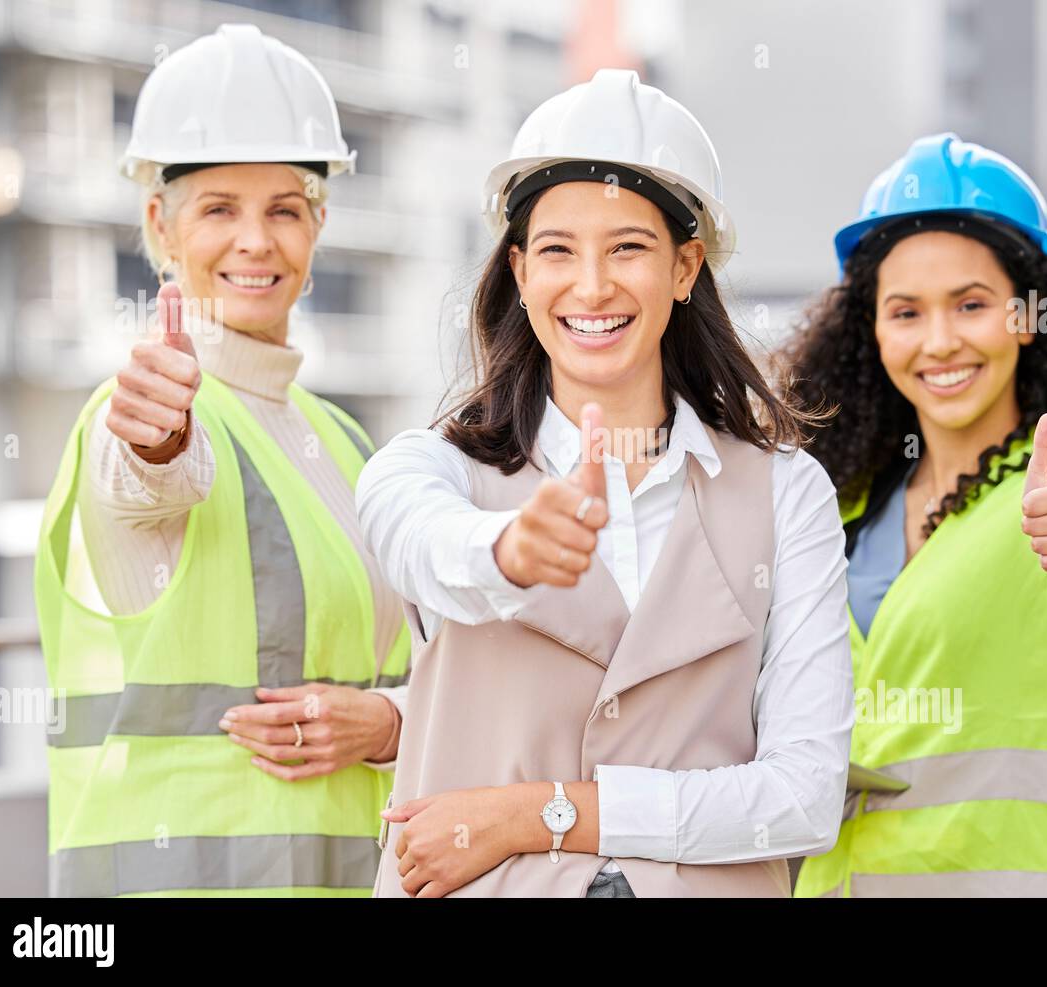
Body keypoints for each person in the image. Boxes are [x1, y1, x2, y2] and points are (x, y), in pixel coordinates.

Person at [357, 69, 855, 898]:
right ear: (519, 271)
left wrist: (544, 813)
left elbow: (803, 795)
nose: (591, 287)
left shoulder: (786, 493)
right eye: (557, 250)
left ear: (686, 266)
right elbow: (420, 545)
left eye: (628, 247)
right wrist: (508, 551)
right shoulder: (430, 469)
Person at [780, 133, 1047, 898]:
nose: (940, 340)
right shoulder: (834, 513)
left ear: (1026, 317)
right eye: (906, 311)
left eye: (971, 304)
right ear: (871, 332)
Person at [34, 23, 410, 897]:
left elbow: (421, 672)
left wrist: (388, 722)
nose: (255, 240)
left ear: (318, 231)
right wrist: (156, 435)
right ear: (161, 227)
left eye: (284, 208)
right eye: (218, 209)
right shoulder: (131, 416)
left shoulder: (350, 447)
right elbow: (153, 478)